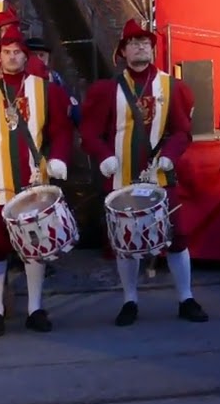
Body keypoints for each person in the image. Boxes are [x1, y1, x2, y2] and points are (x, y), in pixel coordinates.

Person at [79, 19, 208, 325]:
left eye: (146, 43)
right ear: (122, 51)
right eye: (133, 43)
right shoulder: (107, 89)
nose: (141, 47)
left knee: (177, 236)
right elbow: (90, 133)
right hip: (122, 177)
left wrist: (170, 157)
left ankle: (186, 297)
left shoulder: (171, 86)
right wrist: (103, 157)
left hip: (160, 176)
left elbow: (182, 131)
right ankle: (130, 301)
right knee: (125, 242)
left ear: (153, 49)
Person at [0, 25, 73, 336]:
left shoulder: (47, 91)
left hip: (35, 182)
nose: (12, 58)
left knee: (34, 247)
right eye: (7, 53)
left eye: (18, 53)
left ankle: (35, 308)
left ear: (26, 57)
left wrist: (59, 158)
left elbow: (62, 131)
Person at [27, 37, 80, 124]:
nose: (37, 60)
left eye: (41, 55)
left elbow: (73, 106)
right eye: (32, 55)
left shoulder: (55, 77)